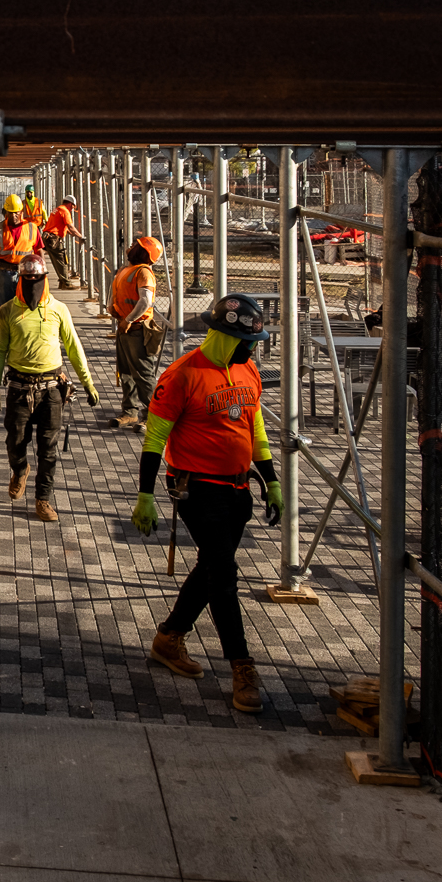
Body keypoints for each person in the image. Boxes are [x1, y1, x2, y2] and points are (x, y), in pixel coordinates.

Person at [128, 293, 285, 713]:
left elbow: (256, 428)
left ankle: (169, 636)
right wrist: (145, 495)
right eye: (250, 340)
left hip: (238, 491)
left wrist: (271, 481)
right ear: (228, 336)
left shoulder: (247, 369)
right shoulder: (181, 376)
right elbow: (155, 438)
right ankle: (242, 666)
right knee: (224, 574)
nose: (256, 347)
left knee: (211, 567)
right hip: (198, 491)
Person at [0, 258, 100, 521]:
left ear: (45, 279)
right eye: (27, 280)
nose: (33, 285)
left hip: (51, 389)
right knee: (15, 441)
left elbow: (73, 347)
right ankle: (20, 469)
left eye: (38, 280)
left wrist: (88, 382)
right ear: (20, 280)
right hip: (18, 387)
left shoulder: (58, 309)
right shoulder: (7, 311)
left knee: (48, 448)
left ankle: (43, 499)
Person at [107, 236, 167, 429]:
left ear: (144, 253)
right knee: (125, 372)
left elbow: (145, 301)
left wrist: (129, 319)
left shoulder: (144, 272)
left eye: (137, 246)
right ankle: (130, 412)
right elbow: (114, 290)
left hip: (137, 329)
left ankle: (154, 415)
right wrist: (112, 309)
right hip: (125, 327)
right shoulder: (126, 270)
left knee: (143, 373)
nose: (131, 247)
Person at [0, 193, 42, 304]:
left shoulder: (32, 228)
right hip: (4, 275)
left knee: (25, 310)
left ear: (21, 212)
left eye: (16, 212)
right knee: (5, 311)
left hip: (26, 275)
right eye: (10, 213)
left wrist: (41, 274)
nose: (14, 216)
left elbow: (39, 251)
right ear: (5, 213)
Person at [41, 196, 83, 288]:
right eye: (73, 207)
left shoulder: (57, 209)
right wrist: (80, 236)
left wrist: (69, 232)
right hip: (53, 238)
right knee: (62, 260)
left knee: (58, 261)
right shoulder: (65, 211)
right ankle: (66, 283)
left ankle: (62, 282)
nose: (72, 209)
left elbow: (59, 225)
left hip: (48, 237)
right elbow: (70, 226)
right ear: (70, 204)